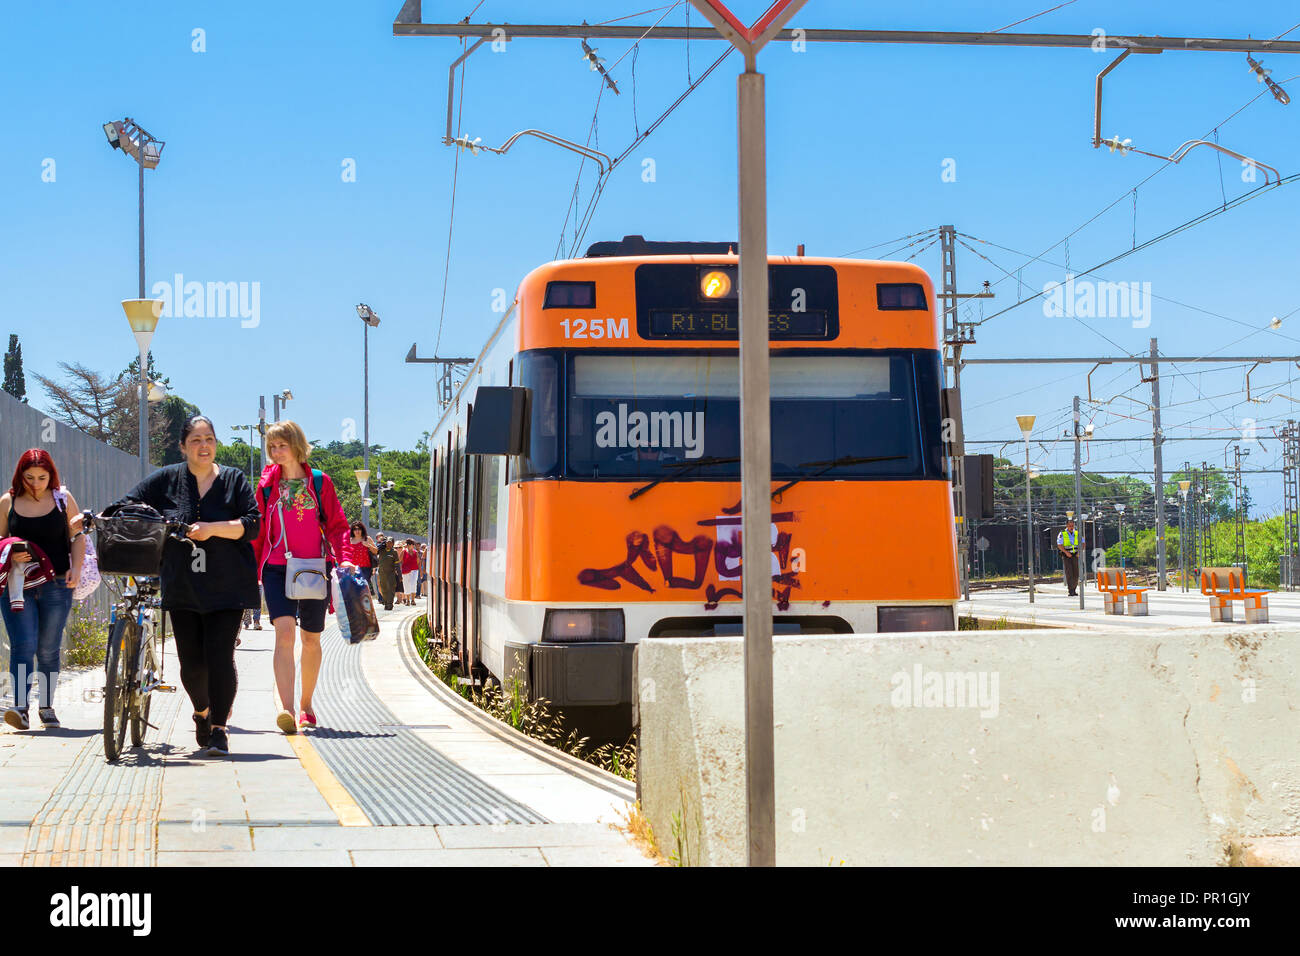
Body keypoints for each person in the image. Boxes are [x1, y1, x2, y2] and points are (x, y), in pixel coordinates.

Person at [118, 416, 260, 756]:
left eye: (209, 438)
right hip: (181, 583)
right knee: (192, 664)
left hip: (227, 585)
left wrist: (214, 529)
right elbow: (130, 503)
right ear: (183, 447)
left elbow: (252, 525)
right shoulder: (167, 479)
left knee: (221, 657)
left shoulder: (234, 480)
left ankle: (219, 729)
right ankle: (202, 711)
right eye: (195, 440)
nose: (203, 445)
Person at [252, 420, 351, 735]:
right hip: (276, 566)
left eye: (282, 445)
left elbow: (337, 524)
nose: (277, 452)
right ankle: (287, 709)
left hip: (312, 567)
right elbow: (257, 531)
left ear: (296, 445)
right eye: (272, 447)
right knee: (284, 633)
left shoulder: (320, 483)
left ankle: (307, 706)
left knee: (310, 638)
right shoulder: (267, 485)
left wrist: (345, 557)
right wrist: (249, 569)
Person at [0, 449, 85, 730]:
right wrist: (10, 555)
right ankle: (21, 708)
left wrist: (77, 566)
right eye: (29, 478)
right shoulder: (7, 502)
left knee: (48, 649)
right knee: (22, 646)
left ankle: (46, 706)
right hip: (17, 584)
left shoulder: (63, 498)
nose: (35, 483)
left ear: (51, 476)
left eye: (42, 477)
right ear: (19, 476)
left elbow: (78, 535)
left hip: (57, 584)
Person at [345, 522, 377, 593]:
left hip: (365, 568)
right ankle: (357, 603)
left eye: (359, 529)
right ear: (352, 531)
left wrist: (368, 545)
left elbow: (376, 551)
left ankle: (364, 603)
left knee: (363, 588)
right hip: (353, 569)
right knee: (354, 588)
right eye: (355, 529)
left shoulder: (367, 539)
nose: (357, 531)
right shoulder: (349, 540)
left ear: (362, 529)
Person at [1057, 518, 1081, 597]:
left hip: (1075, 555)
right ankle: (1071, 590)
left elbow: (1083, 543)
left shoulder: (1077, 533)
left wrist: (1080, 552)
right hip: (1067, 556)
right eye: (1070, 525)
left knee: (1076, 573)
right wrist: (1066, 552)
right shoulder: (1062, 533)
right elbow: (1059, 545)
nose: (1071, 527)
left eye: (1072, 525)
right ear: (1067, 525)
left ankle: (1074, 588)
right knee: (1069, 573)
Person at [375, 535, 398, 611]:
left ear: (393, 544)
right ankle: (386, 602)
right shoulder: (381, 550)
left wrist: (399, 575)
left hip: (391, 573)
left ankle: (390, 604)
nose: (389, 544)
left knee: (391, 588)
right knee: (384, 588)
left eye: (390, 543)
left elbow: (397, 564)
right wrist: (381, 544)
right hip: (382, 573)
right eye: (387, 542)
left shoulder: (394, 552)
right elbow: (375, 550)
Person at [400, 539, 419, 607]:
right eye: (411, 545)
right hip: (405, 571)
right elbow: (400, 560)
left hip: (414, 570)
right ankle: (408, 600)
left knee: (413, 584)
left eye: (412, 545)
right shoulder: (403, 552)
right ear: (408, 545)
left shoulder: (415, 552)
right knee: (406, 584)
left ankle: (413, 600)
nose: (412, 546)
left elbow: (418, 561)